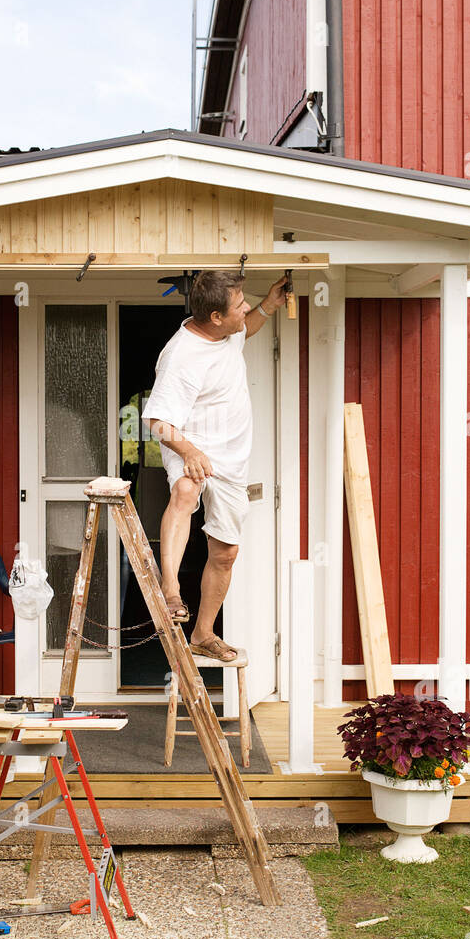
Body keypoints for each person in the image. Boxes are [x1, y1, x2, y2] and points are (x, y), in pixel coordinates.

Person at [142, 269, 288, 662]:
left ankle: (202, 633)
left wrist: (269, 305)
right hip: (190, 443)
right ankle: (170, 588)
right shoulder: (181, 357)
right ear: (217, 318)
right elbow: (157, 422)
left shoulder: (226, 331)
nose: (245, 309)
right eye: (239, 306)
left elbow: (247, 328)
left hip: (230, 461)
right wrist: (188, 452)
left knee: (225, 552)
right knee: (186, 491)